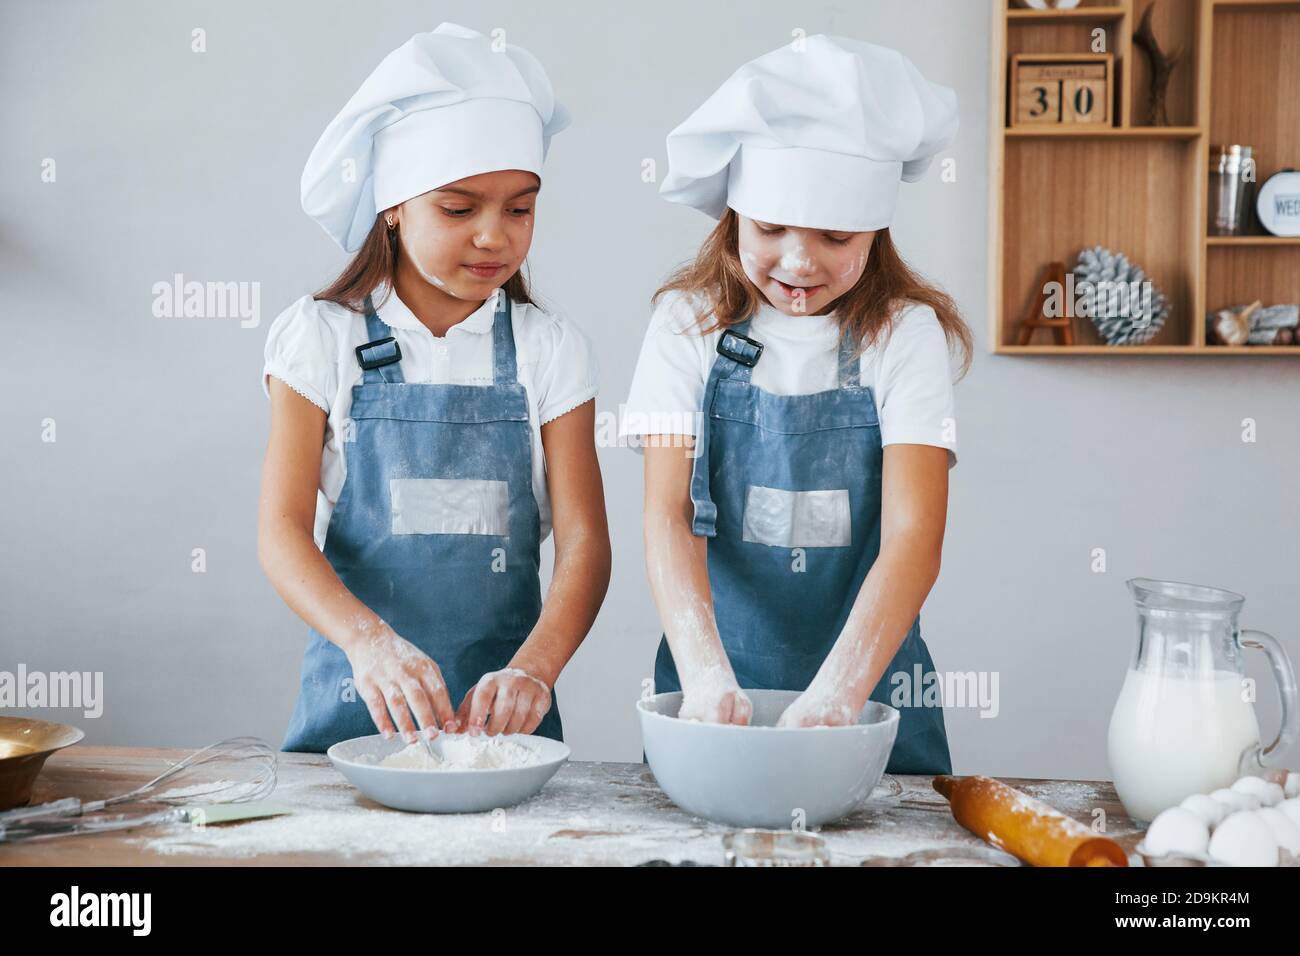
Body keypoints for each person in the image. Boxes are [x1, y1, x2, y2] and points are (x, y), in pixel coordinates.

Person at [621, 35, 971, 773]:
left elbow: (914, 536)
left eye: (834, 235)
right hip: (715, 696)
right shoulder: (687, 324)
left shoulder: (904, 334)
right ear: (732, 218)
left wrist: (842, 696)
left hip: (876, 696)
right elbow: (668, 513)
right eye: (771, 228)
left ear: (875, 232)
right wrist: (705, 674)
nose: (798, 261)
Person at [260, 23, 610, 753]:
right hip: (353, 713)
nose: (495, 236)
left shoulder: (550, 350)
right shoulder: (323, 337)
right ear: (393, 205)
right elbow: (281, 532)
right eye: (459, 209)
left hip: (504, 729)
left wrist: (536, 671)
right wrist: (369, 644)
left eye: (520, 208)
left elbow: (584, 543)